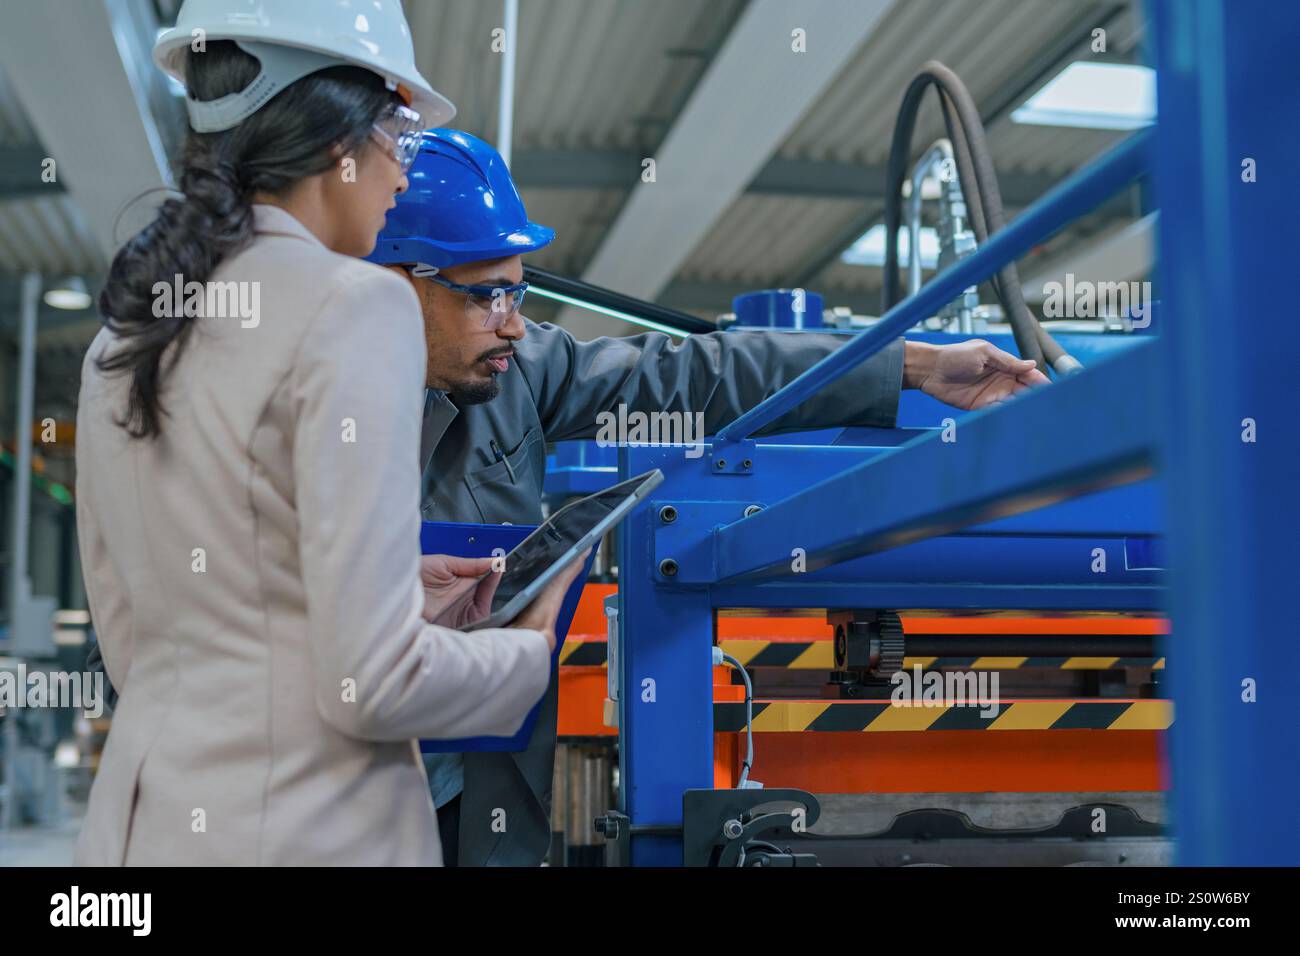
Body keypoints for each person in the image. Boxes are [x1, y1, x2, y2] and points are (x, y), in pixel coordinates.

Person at [366, 129, 1051, 865]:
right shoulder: (275, 408)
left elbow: (692, 375)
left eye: (519, 289)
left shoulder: (517, 373)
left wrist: (910, 367)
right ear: (393, 287)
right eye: (488, 295)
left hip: (472, 797)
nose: (514, 321)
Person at [75, 0, 580, 866]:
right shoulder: (355, 304)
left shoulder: (128, 334)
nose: (398, 177)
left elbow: (147, 641)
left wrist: (392, 587)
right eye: (404, 137)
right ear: (343, 137)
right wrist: (529, 652)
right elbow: (376, 686)